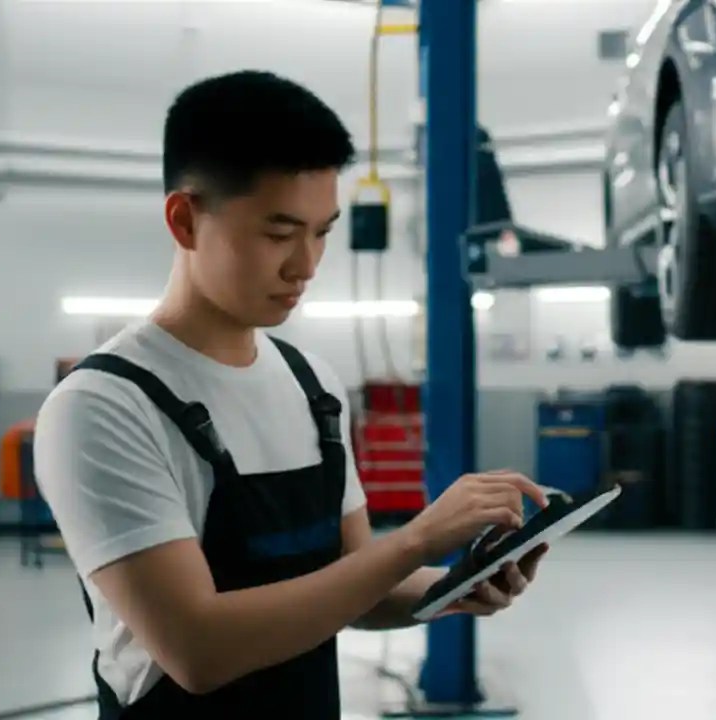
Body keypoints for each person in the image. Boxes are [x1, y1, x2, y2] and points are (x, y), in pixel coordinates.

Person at [33, 70, 549, 719]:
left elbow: (355, 583)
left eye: (322, 231)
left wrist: (453, 586)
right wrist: (414, 542)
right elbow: (196, 649)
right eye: (279, 234)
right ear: (185, 220)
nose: (306, 265)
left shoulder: (314, 387)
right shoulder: (104, 407)